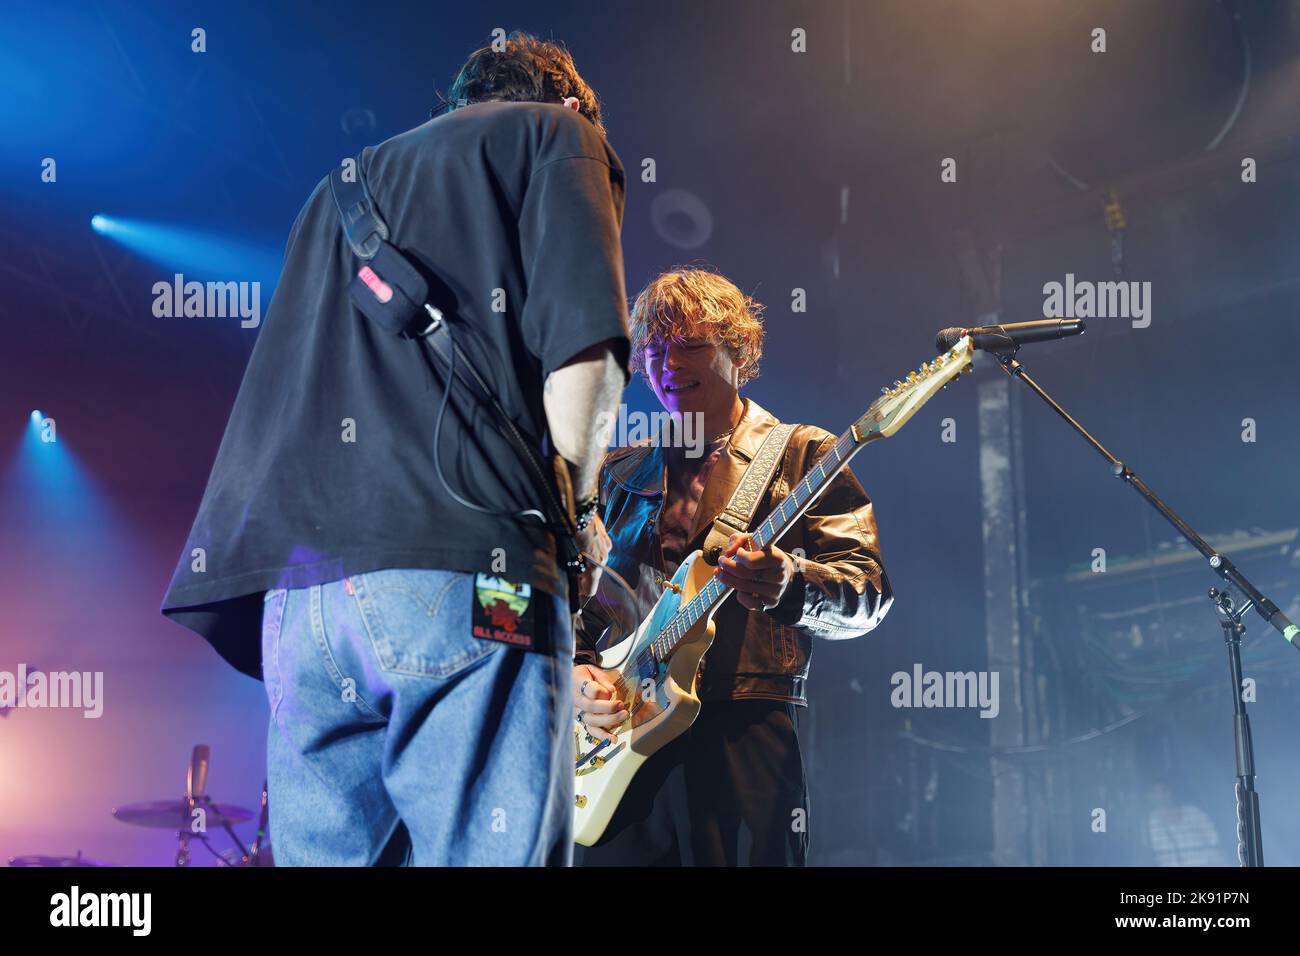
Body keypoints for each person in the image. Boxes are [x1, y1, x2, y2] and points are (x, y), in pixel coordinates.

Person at [161, 32, 629, 866]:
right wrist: (586, 511)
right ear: (568, 101)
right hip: (473, 578)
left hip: (300, 606)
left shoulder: (337, 188)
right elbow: (584, 368)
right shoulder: (556, 133)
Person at [573, 268, 893, 866]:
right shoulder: (617, 471)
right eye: (657, 350)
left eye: (692, 345)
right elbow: (572, 601)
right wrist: (574, 673)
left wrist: (789, 583)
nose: (670, 364)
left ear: (739, 352)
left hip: (742, 730)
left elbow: (869, 592)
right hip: (617, 739)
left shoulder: (803, 454)